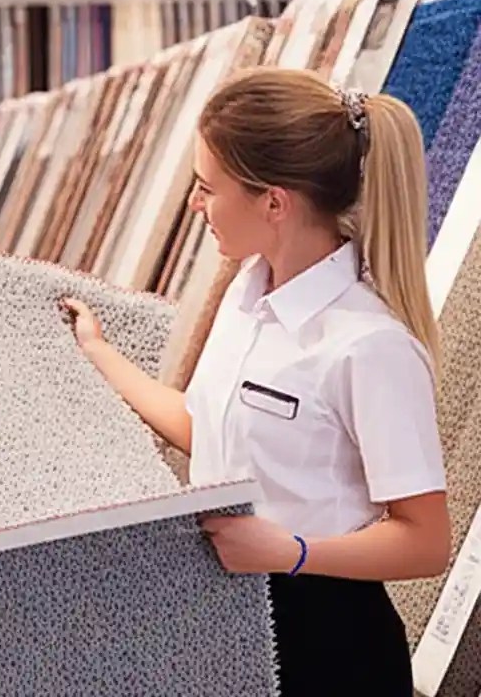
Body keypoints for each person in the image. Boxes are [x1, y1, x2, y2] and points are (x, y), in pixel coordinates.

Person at [63, 67, 451, 696]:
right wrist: (99, 355)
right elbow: (210, 431)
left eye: (206, 188)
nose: (194, 205)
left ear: (273, 202)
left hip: (328, 649)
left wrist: (290, 552)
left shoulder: (368, 345)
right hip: (230, 625)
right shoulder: (246, 298)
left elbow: (426, 540)